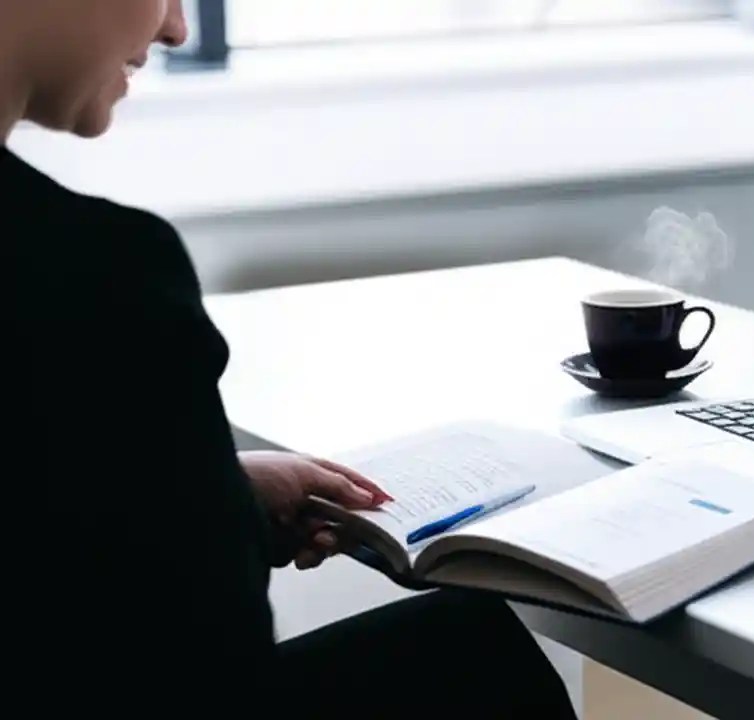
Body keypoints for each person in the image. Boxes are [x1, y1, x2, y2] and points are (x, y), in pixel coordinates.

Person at [4, 2, 577, 715]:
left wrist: (210, 498)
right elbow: (210, 673)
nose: (177, 28)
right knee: (473, 660)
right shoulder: (100, 278)